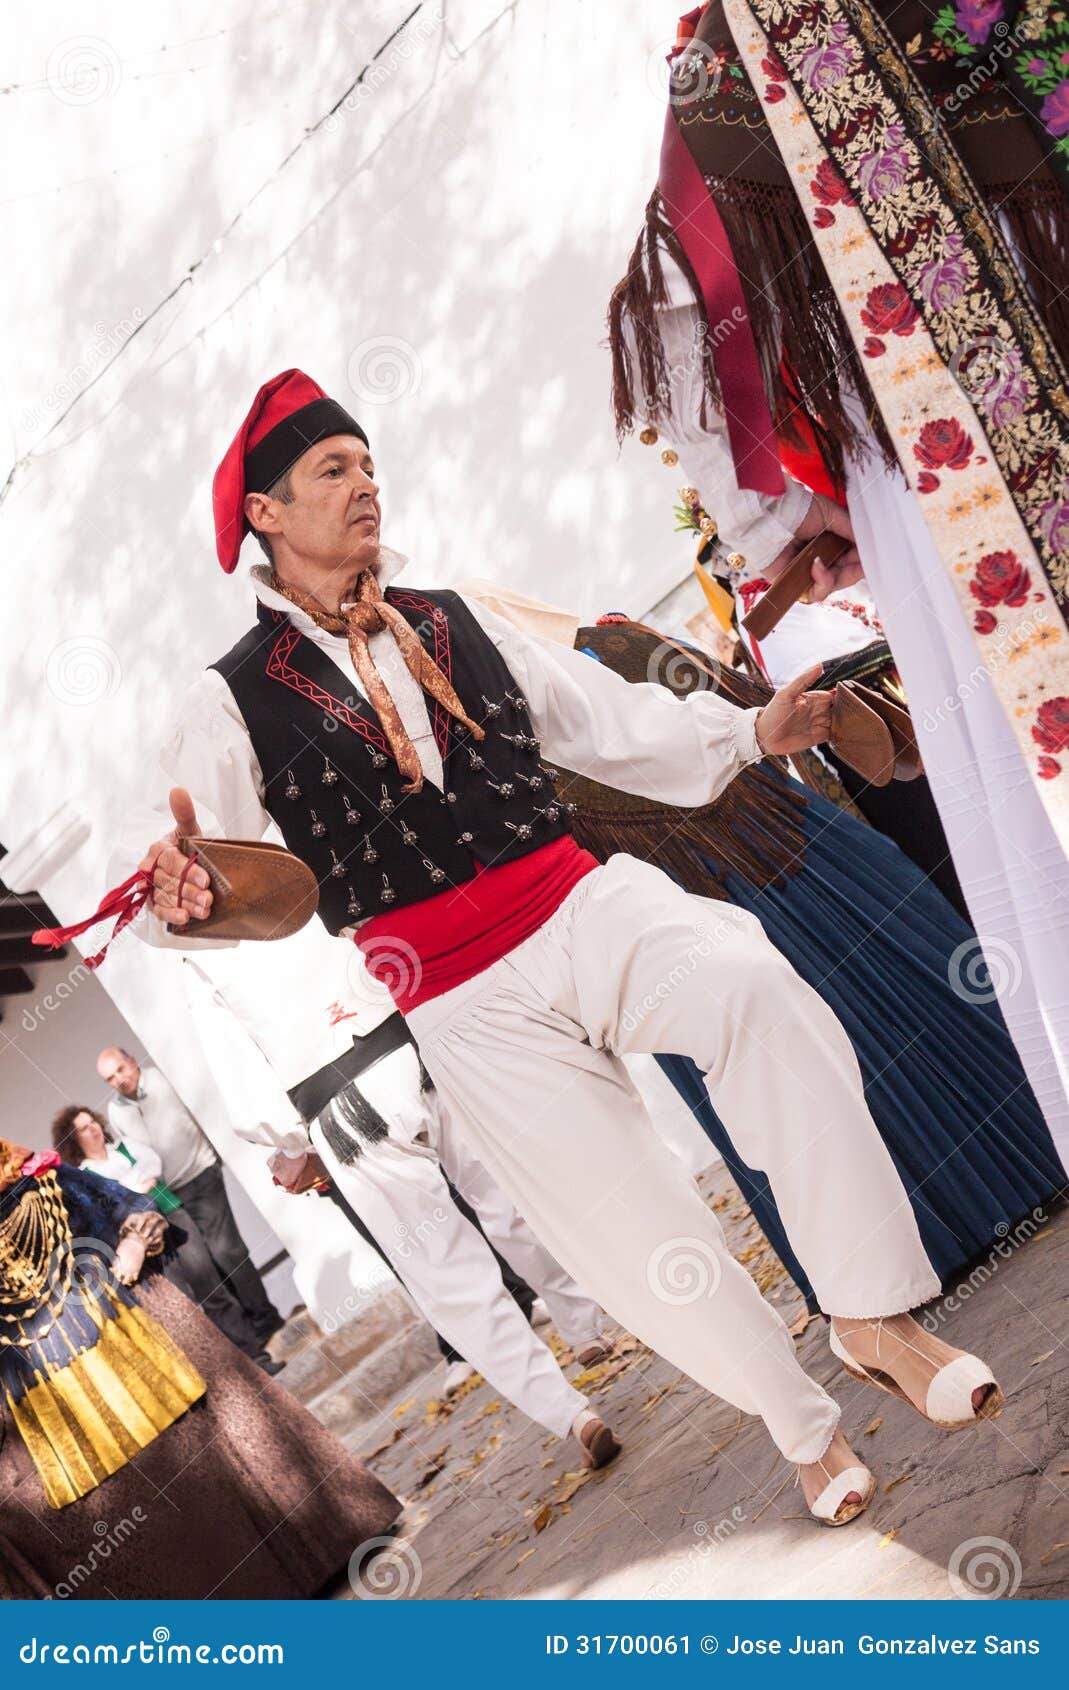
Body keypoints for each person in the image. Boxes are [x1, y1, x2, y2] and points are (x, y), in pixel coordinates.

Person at [91, 367, 1003, 1529]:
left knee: (748, 986)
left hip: (577, 903)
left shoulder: (451, 616)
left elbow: (607, 724)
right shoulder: (226, 700)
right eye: (332, 469)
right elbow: (189, 865)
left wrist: (747, 731)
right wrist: (180, 884)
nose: (365, 484)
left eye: (368, 464)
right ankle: (802, 1430)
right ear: (265, 513)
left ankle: (872, 1314)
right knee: (633, 1230)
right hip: (456, 994)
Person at [607, 0, 1069, 1165]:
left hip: (923, 458)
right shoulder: (747, 54)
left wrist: (783, 515)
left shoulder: (729, 61)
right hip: (942, 443)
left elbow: (677, 314)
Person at [534, 611, 1066, 1306]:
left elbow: (752, 711)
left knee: (814, 1045)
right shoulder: (602, 646)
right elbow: (751, 707)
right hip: (751, 866)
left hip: (732, 873)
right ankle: (1012, 1170)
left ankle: (895, 1261)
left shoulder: (524, 698)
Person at [180, 922, 621, 1468]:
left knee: (447, 1273)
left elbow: (243, 1088)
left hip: (341, 1108)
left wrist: (293, 1142)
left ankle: (568, 1411)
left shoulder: (201, 960)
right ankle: (582, 1322)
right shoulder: (297, 883)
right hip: (415, 1050)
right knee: (508, 1200)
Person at [0, 1137, 399, 1598]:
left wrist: (134, 1241)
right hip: (38, 1389)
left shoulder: (48, 1180)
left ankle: (303, 1564)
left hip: (126, 1327)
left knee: (214, 1446)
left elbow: (130, 1207)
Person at [50, 1104, 284, 1375]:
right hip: (145, 1242)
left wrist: (127, 1192)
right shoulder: (86, 1176)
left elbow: (151, 1165)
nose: (92, 1130)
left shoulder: (124, 1147)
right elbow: (109, 1203)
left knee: (211, 1286)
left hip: (172, 1215)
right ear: (74, 1140)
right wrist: (136, 1187)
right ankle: (226, 1374)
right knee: (184, 1304)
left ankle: (256, 1360)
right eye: (83, 1128)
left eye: (92, 1122)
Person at [97, 1045, 282, 1348]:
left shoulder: (162, 1079)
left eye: (121, 1069)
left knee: (226, 1250)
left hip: (200, 1174)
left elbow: (198, 1114)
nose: (119, 1079)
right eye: (110, 1078)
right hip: (167, 1195)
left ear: (131, 1061)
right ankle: (248, 1331)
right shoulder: (116, 1110)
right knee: (204, 1265)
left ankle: (265, 1317)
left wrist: (217, 1155)